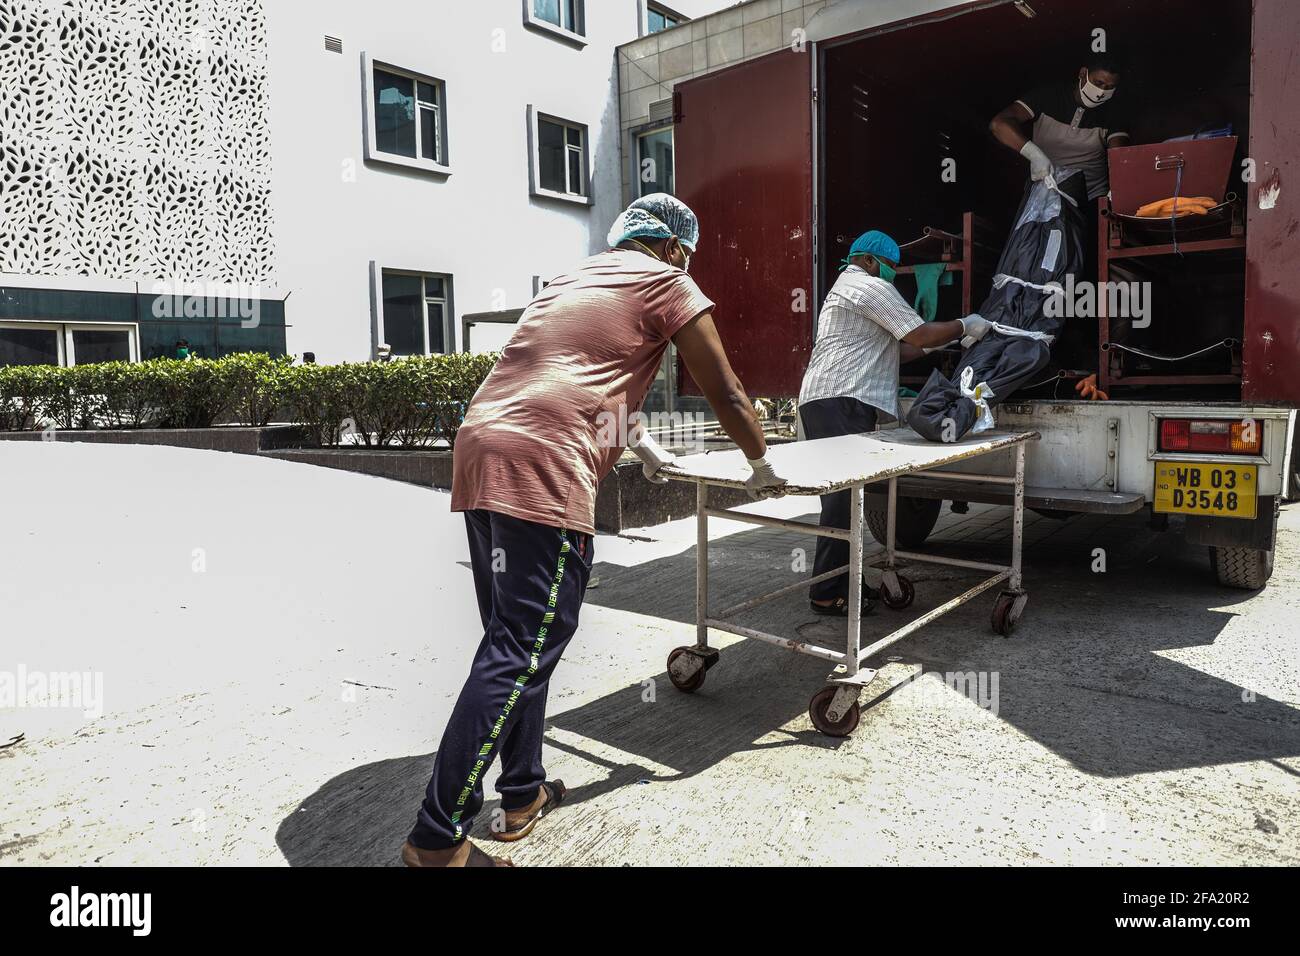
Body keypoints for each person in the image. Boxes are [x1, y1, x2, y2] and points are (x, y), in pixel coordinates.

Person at [401, 194, 786, 867]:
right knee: (521, 650)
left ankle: (521, 792)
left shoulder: (573, 280)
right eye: (686, 255)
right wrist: (761, 462)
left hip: (484, 446)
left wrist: (645, 452)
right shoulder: (667, 281)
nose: (685, 265)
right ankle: (437, 836)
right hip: (542, 463)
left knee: (516, 647)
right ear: (672, 247)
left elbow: (583, 374)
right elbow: (723, 387)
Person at [797, 230, 990, 616]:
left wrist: (940, 343)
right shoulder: (867, 286)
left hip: (832, 400)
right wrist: (963, 324)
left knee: (847, 499)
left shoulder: (846, 290)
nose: (893, 275)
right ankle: (826, 591)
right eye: (890, 267)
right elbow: (917, 332)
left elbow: (897, 351)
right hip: (841, 400)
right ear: (869, 261)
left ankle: (845, 583)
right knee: (841, 501)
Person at [989, 51, 1130, 203]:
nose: (1102, 92)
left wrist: (1117, 189)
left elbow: (1119, 158)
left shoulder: (1113, 113)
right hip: (1045, 194)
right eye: (1098, 83)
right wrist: (1035, 155)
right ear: (1083, 74)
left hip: (1091, 199)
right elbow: (999, 124)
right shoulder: (1049, 97)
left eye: (1110, 87)